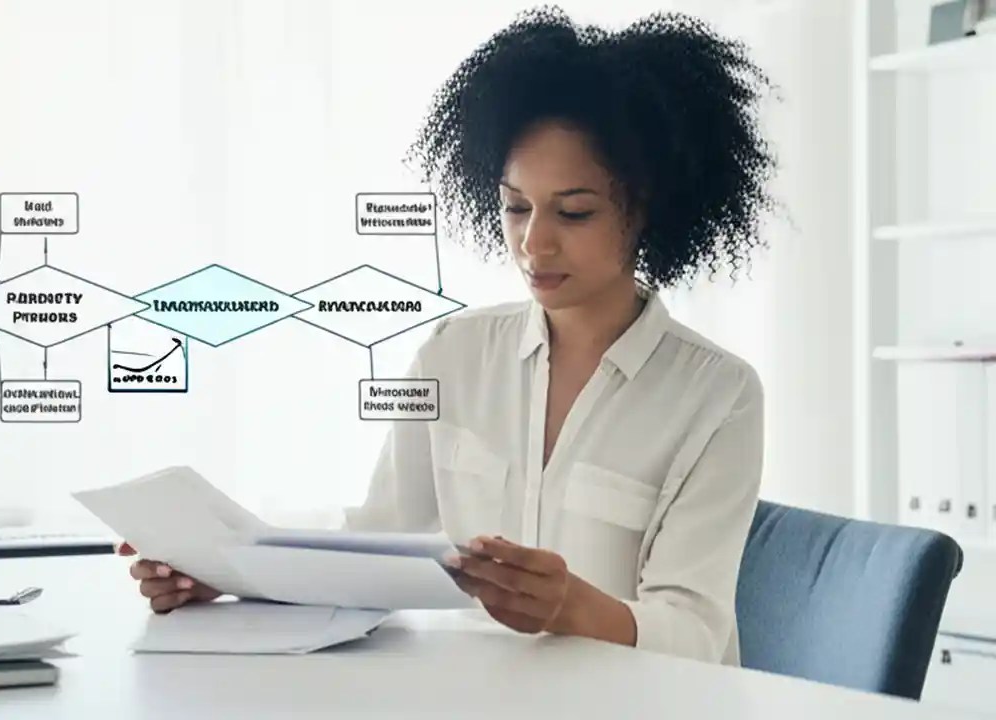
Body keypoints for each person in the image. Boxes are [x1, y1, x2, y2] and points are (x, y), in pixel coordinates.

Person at [119, 6, 776, 666]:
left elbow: (696, 631)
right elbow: (373, 547)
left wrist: (573, 607)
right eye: (515, 206)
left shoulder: (718, 394)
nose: (532, 242)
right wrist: (227, 578)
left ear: (651, 210)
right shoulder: (453, 354)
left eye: (574, 212)